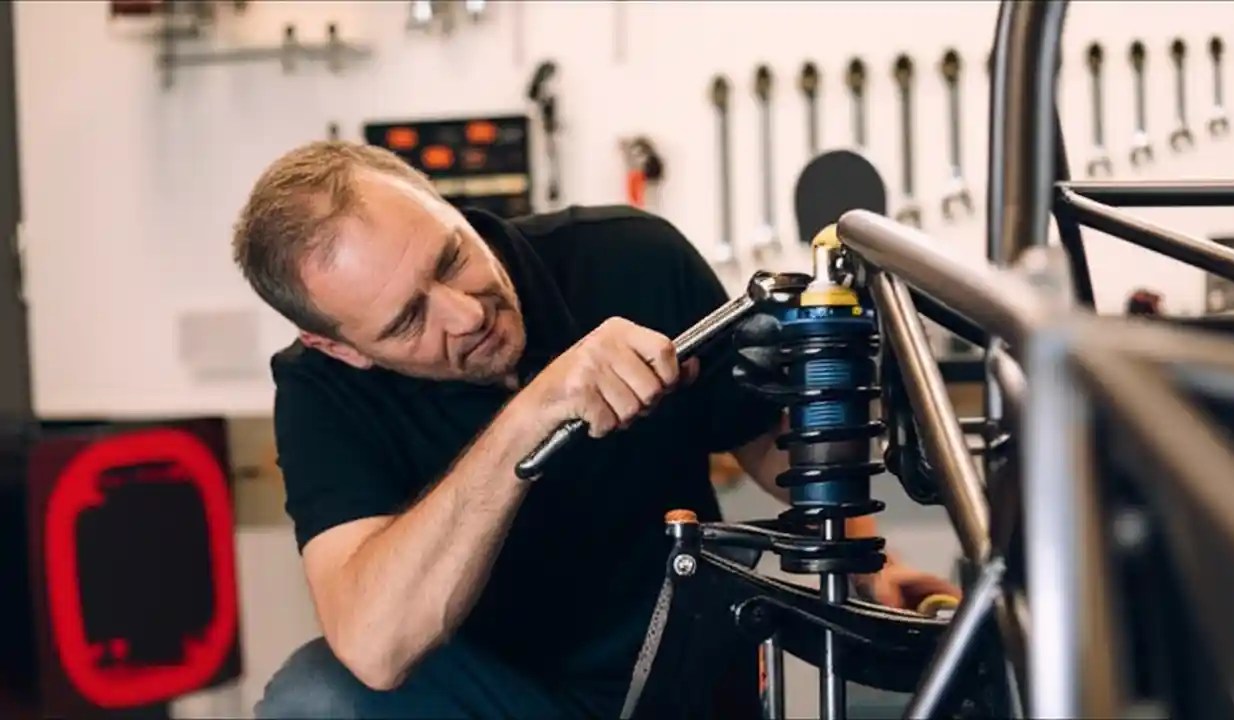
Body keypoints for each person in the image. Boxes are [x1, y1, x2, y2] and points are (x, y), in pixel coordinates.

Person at [232, 141, 961, 719]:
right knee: (313, 699)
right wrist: (533, 414)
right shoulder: (320, 391)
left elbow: (772, 446)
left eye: (451, 258)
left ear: (443, 203)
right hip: (504, 701)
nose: (467, 312)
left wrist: (873, 564)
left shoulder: (632, 258)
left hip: (682, 686)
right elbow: (375, 646)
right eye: (408, 320)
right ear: (339, 347)